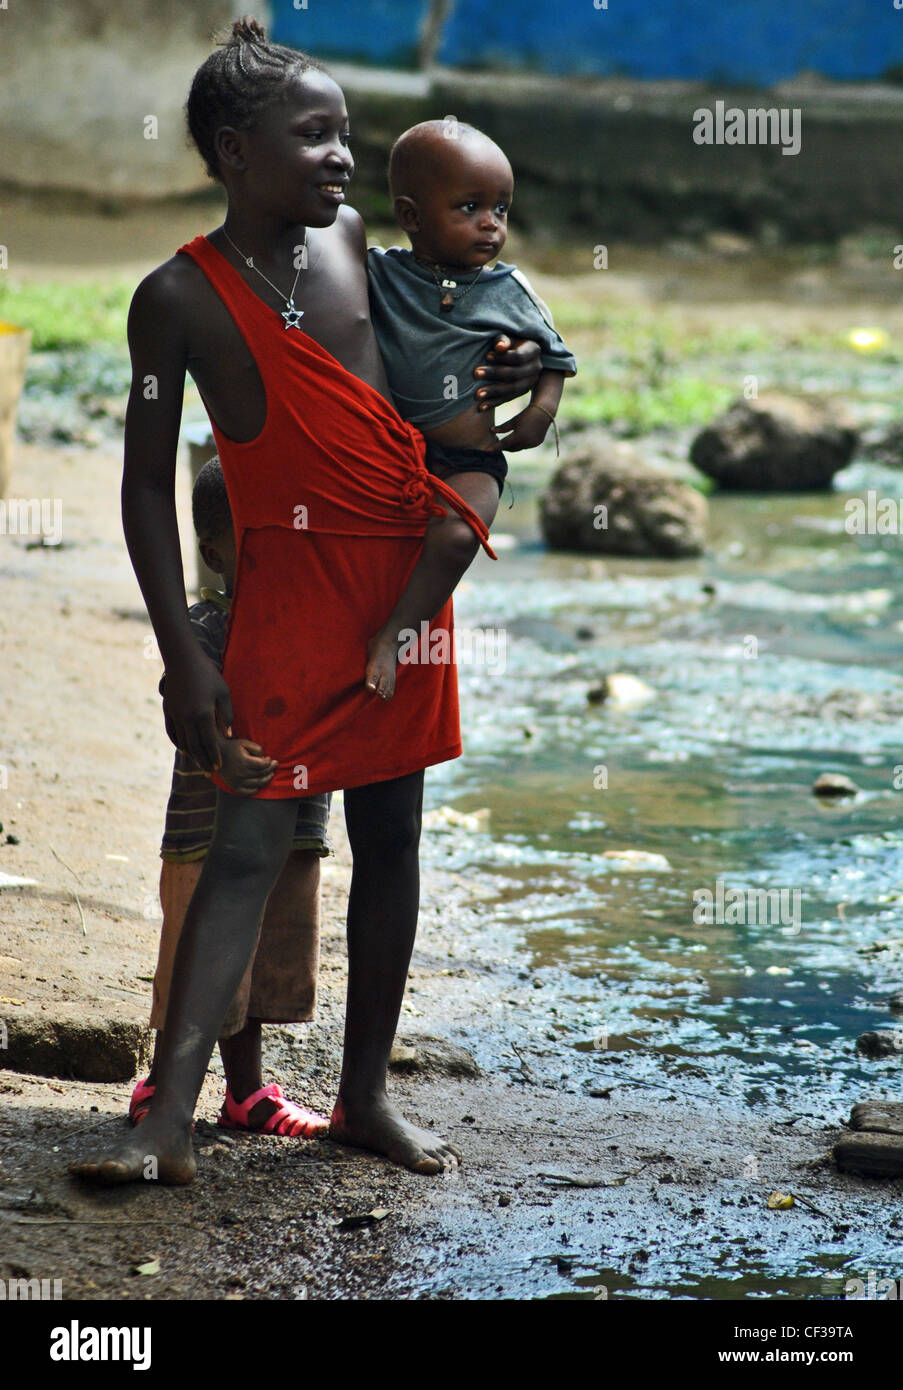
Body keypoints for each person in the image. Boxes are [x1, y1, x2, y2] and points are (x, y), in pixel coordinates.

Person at [71, 16, 542, 1185]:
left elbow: (442, 375)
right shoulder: (174, 297)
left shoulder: (356, 253)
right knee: (246, 842)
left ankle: (364, 1097)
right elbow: (141, 492)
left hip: (403, 590)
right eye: (314, 135)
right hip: (287, 595)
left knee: (394, 838)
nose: (343, 158)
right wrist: (185, 653)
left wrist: (515, 393)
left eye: (346, 136)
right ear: (234, 150)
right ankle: (167, 1122)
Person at [132, 456, 332, 1139]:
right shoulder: (204, 628)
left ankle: (246, 1095)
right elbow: (177, 707)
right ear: (215, 553)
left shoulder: (311, 621)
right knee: (198, 958)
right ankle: (162, 1087)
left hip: (294, 834)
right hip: (206, 836)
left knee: (261, 964)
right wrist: (219, 752)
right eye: (263, 539)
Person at [364, 120, 577, 699]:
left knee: (459, 539)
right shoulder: (381, 274)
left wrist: (539, 413)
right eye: (470, 208)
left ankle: (395, 636)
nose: (492, 224)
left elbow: (557, 356)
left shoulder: (507, 287)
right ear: (411, 216)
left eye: (502, 209)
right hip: (393, 455)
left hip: (468, 458)